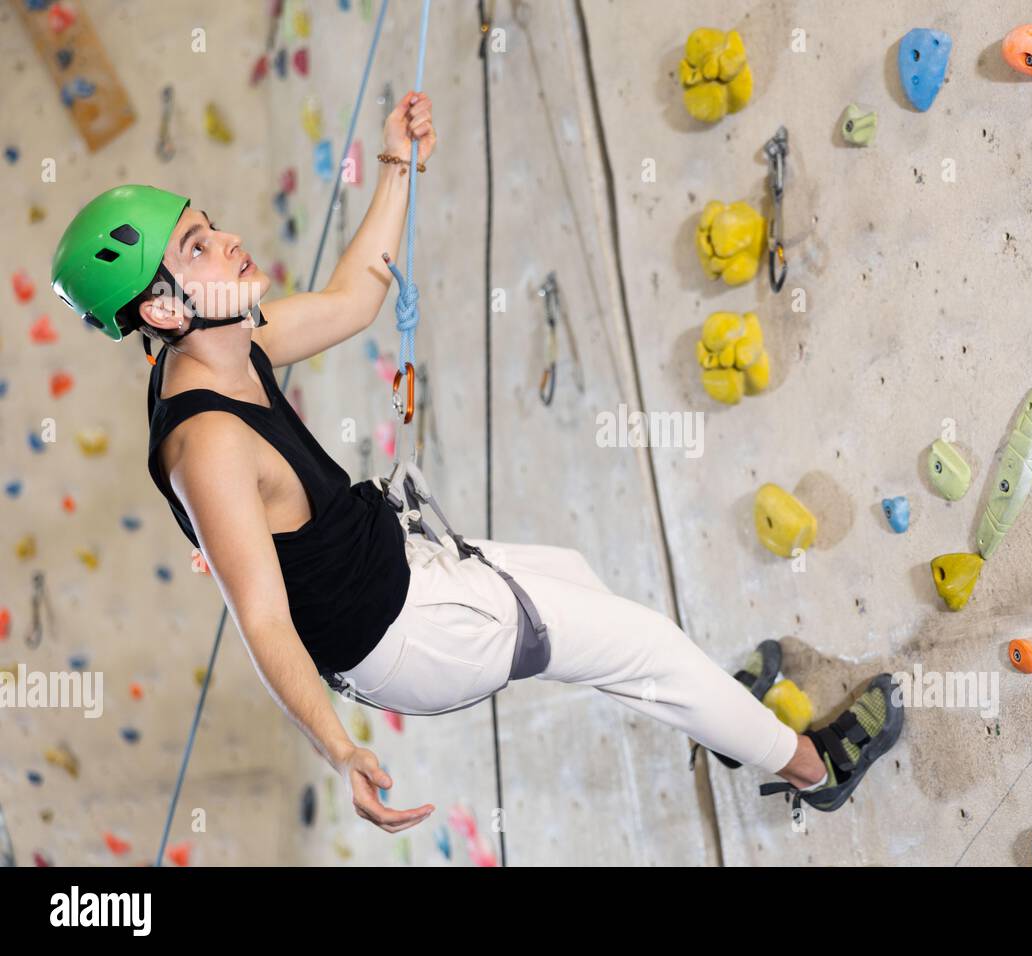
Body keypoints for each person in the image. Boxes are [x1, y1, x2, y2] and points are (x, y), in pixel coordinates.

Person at [49, 91, 901, 833]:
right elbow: (264, 623)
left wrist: (395, 162)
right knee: (645, 644)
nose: (229, 240)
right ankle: (813, 771)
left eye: (208, 225)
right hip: (409, 630)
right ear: (160, 309)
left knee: (585, 588)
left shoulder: (231, 339)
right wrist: (341, 751)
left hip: (401, 563)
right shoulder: (209, 446)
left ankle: (723, 718)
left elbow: (354, 297)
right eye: (198, 247)